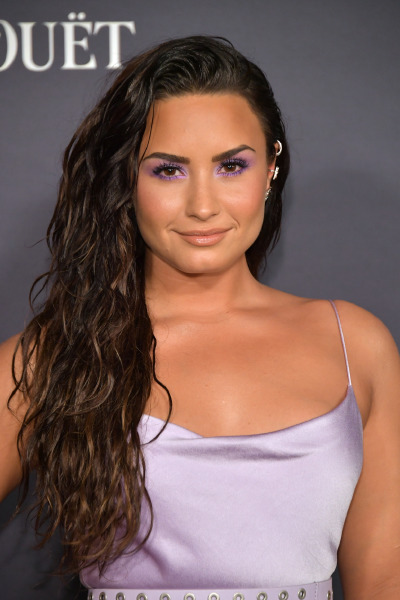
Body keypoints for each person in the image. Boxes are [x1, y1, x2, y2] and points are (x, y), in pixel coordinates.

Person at [0, 35, 399, 600]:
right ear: (126, 179)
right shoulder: (57, 354)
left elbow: (384, 581)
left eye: (232, 165)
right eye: (168, 171)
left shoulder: (355, 345)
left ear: (271, 168)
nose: (203, 206)